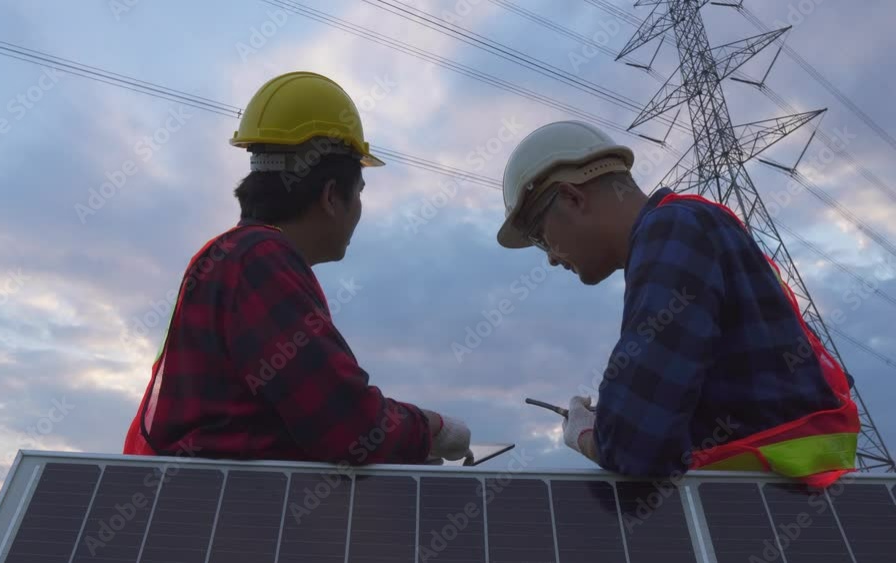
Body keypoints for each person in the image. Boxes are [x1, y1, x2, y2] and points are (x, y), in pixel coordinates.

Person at [123, 71, 472, 465]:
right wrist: (432, 429)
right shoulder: (259, 260)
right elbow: (349, 426)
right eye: (359, 193)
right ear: (330, 196)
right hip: (224, 513)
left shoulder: (231, 255)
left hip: (204, 503)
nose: (359, 209)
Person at [496, 120, 860, 488]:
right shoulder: (695, 226)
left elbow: (635, 445)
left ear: (573, 197)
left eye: (542, 238)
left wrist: (586, 434)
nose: (551, 260)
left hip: (751, 517)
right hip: (782, 505)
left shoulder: (671, 230)